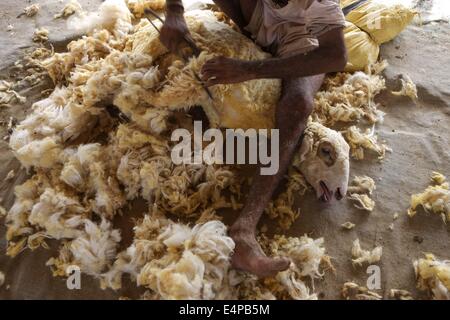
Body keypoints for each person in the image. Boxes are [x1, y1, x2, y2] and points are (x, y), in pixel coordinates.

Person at [160, 0, 347, 277]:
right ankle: (252, 37)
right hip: (255, 16)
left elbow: (336, 56)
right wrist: (174, 11)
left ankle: (244, 230)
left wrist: (250, 70)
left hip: (302, 36)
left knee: (297, 102)